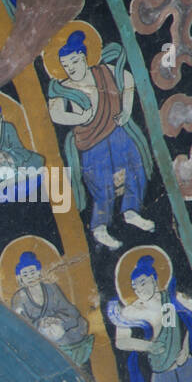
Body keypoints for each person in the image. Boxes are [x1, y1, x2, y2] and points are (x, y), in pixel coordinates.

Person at [48, 30, 152, 250]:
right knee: (101, 183)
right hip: (91, 141)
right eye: (66, 65)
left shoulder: (104, 72)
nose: (71, 68)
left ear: (84, 58)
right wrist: (78, 117)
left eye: (74, 61)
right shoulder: (64, 87)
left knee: (135, 165)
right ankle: (100, 228)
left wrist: (125, 110)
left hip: (116, 132)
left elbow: (128, 79)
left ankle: (132, 211)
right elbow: (55, 112)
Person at [10, 250, 92, 364]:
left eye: (32, 272)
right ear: (20, 278)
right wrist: (40, 324)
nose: (30, 277)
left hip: (61, 330)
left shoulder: (51, 288)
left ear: (39, 272)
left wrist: (57, 319)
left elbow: (70, 310)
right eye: (25, 274)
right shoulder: (19, 298)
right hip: (39, 337)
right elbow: (18, 324)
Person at [0, 95, 46, 202]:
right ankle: (8, 181)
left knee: (37, 160)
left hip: (13, 164)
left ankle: (10, 180)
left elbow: (19, 149)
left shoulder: (8, 127)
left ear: (0, 115)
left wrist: (9, 156)